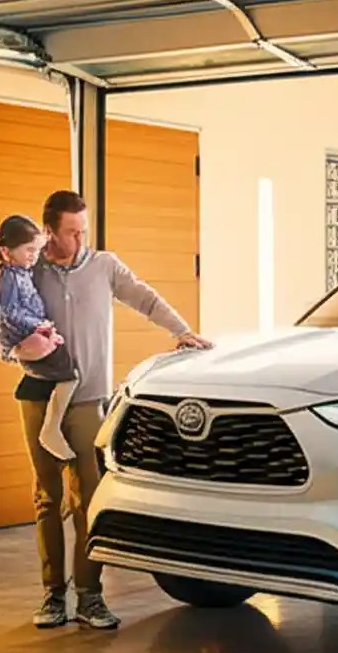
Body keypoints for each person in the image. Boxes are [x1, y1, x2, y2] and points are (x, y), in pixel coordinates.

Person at [15, 189, 212, 630]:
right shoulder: (31, 270)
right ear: (49, 231)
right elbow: (4, 308)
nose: (80, 240)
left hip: (87, 401)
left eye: (84, 230)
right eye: (71, 232)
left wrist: (182, 331)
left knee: (88, 498)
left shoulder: (104, 266)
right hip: (39, 396)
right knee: (47, 498)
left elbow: (144, 297)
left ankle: (90, 596)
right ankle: (52, 596)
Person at [0, 214, 79, 460]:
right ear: (6, 252)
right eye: (29, 250)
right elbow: (8, 313)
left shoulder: (21, 271)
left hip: (33, 336)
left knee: (65, 372)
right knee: (69, 375)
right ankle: (51, 429)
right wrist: (39, 326)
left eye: (36, 251)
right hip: (25, 339)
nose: (33, 257)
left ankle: (51, 426)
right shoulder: (9, 278)